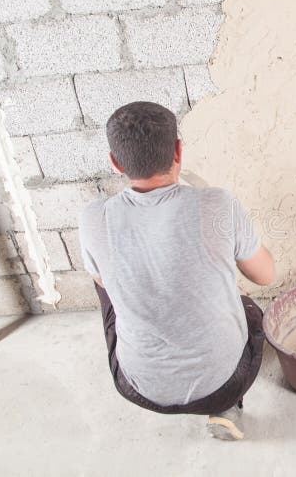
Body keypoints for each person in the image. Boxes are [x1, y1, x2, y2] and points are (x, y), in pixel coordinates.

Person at [79, 101, 275, 441]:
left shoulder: (95, 218)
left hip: (138, 388)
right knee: (249, 310)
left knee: (106, 283)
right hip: (223, 386)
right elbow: (266, 276)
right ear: (179, 151)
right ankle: (228, 407)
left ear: (115, 162)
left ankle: (155, 364)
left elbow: (104, 282)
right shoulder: (216, 204)